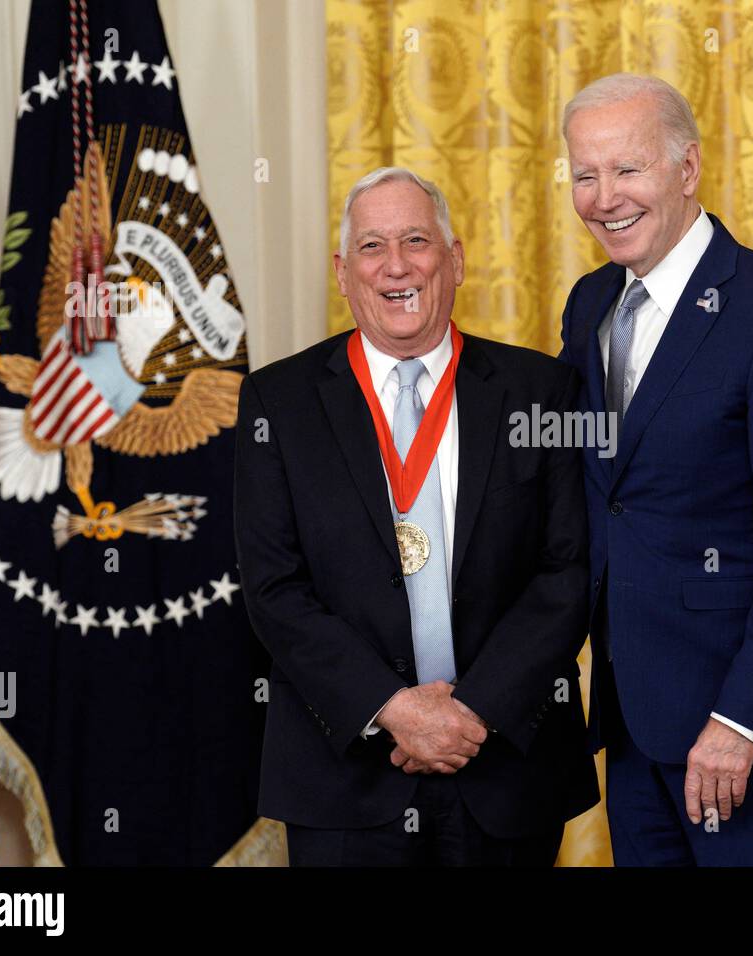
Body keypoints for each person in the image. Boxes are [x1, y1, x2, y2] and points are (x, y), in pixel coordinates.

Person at [235, 167, 597, 866]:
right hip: (345, 779)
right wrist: (396, 710)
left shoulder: (542, 391)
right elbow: (275, 590)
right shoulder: (277, 402)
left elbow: (568, 571)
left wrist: (472, 712)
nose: (395, 265)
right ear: (343, 272)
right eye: (372, 247)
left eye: (415, 241)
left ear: (453, 260)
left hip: (507, 769)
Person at [558, 73, 753, 866]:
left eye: (627, 170)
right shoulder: (591, 301)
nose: (604, 198)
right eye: (585, 175)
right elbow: (599, 496)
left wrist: (739, 723)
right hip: (634, 722)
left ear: (688, 168)